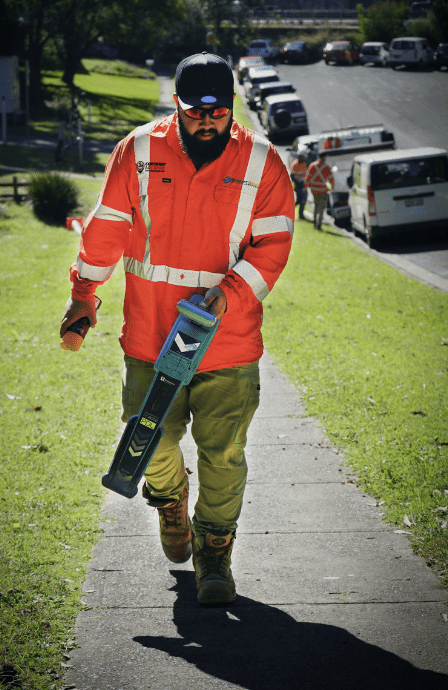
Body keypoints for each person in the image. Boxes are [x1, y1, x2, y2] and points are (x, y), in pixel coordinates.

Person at [60, 52, 295, 606]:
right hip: (150, 337)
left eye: (217, 111)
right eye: (194, 112)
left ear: (232, 104)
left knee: (223, 454)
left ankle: (214, 551)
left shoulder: (263, 162)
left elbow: (273, 245)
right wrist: (83, 294)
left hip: (228, 341)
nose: (206, 121)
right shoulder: (139, 151)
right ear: (177, 104)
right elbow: (108, 228)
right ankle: (170, 501)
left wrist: (229, 294)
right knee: (151, 443)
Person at [304, 152, 334, 230]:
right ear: (324, 158)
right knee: (321, 208)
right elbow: (331, 179)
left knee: (316, 206)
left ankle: (314, 222)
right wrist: (332, 188)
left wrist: (306, 188)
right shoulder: (326, 167)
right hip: (323, 191)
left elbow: (307, 178)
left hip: (314, 190)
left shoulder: (312, 166)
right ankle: (319, 224)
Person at [290, 147, 309, 220]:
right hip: (298, 185)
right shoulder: (295, 164)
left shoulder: (304, 164)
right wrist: (298, 182)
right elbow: (292, 176)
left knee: (303, 200)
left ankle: (301, 215)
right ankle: (289, 210)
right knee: (299, 200)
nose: (304, 158)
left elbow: (305, 174)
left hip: (303, 185)